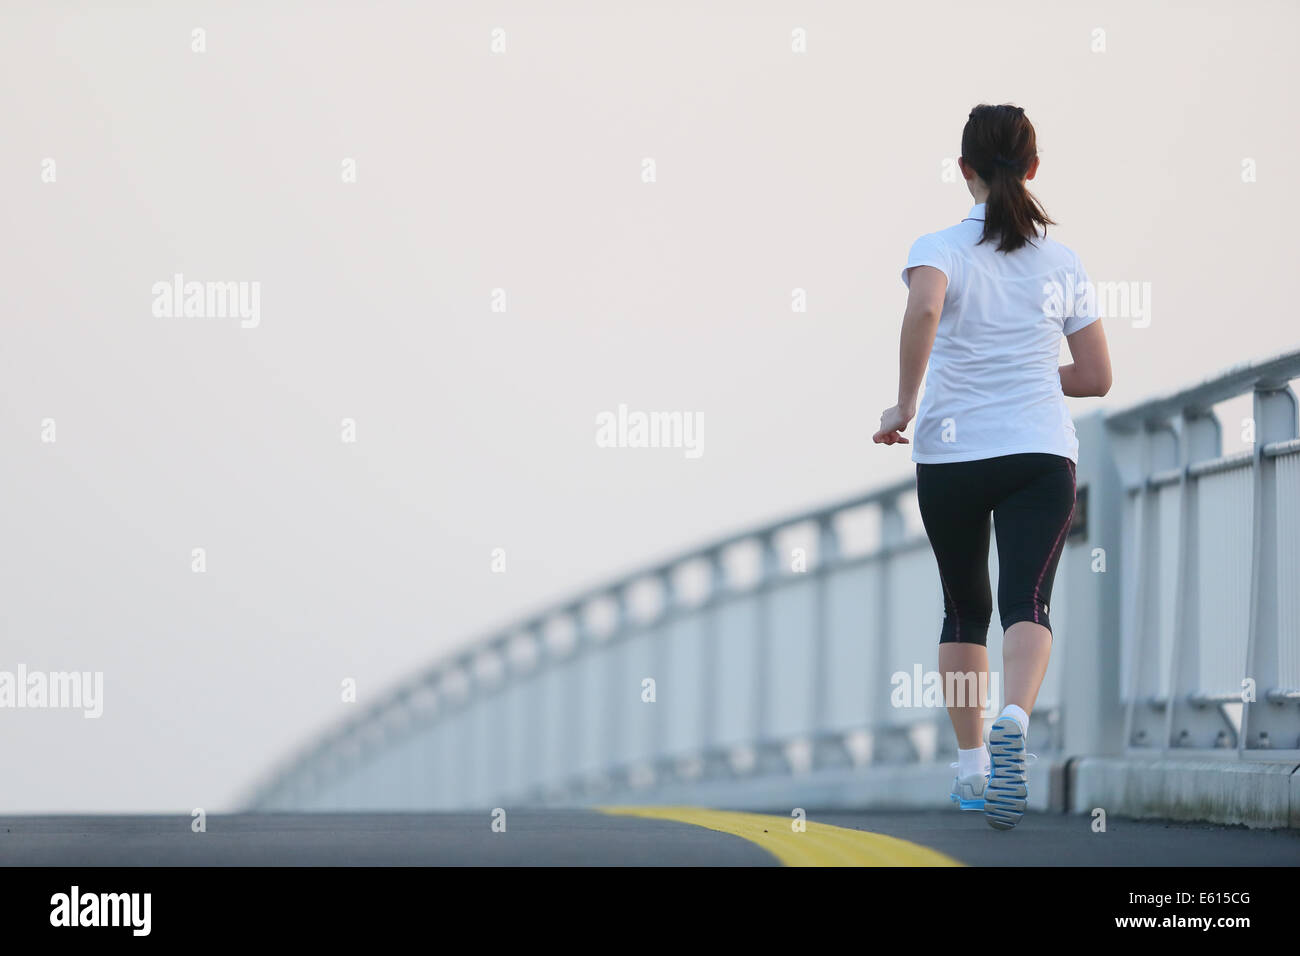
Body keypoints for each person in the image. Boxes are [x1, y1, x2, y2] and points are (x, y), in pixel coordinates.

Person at [873, 104, 1113, 830]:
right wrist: (1035, 376)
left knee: (963, 608)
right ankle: (1015, 714)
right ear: (1033, 169)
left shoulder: (938, 247)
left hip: (951, 451)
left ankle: (974, 766)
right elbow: (1097, 376)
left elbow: (922, 312)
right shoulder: (1062, 261)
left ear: (963, 170)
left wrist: (903, 405)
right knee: (1027, 602)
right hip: (1040, 453)